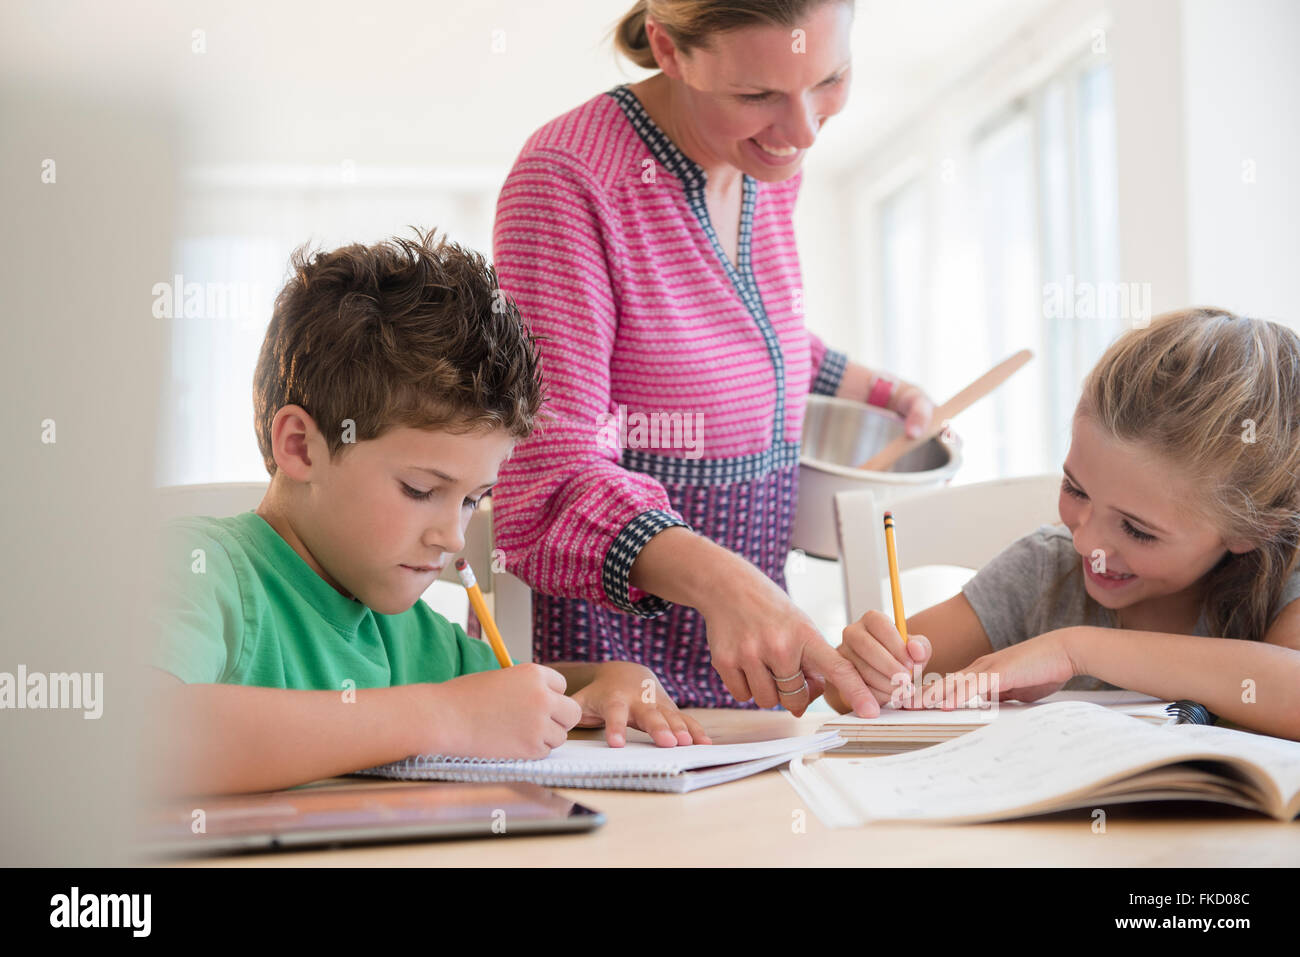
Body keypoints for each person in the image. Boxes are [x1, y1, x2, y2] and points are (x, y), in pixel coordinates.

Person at [146, 230, 711, 797]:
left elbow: (512, 695)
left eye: (471, 500)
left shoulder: (405, 630)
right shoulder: (200, 570)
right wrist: (445, 716)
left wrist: (611, 677)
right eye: (420, 489)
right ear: (301, 447)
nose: (452, 537)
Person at [490, 0, 933, 717]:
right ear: (667, 47)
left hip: (751, 699)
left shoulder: (766, 157)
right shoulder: (568, 181)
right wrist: (730, 585)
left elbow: (748, 335)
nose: (805, 131)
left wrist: (878, 389)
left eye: (831, 77)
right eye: (755, 95)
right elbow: (542, 485)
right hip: (623, 703)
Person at [827, 308, 1300, 741]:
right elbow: (844, 691)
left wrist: (1077, 650)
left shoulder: (1284, 581)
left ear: (1251, 528)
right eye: (1076, 490)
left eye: (1137, 530)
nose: (1087, 541)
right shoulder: (1041, 573)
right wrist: (864, 666)